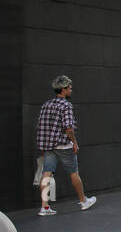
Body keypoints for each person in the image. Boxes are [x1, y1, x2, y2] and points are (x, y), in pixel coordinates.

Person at [35, 76, 96, 214]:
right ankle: (83, 201)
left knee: (47, 173)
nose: (71, 90)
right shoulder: (66, 106)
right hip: (63, 145)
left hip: (49, 145)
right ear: (63, 90)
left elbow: (41, 126)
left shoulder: (46, 105)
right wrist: (74, 143)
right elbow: (69, 128)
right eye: (69, 88)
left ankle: (44, 207)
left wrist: (44, 145)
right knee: (74, 173)